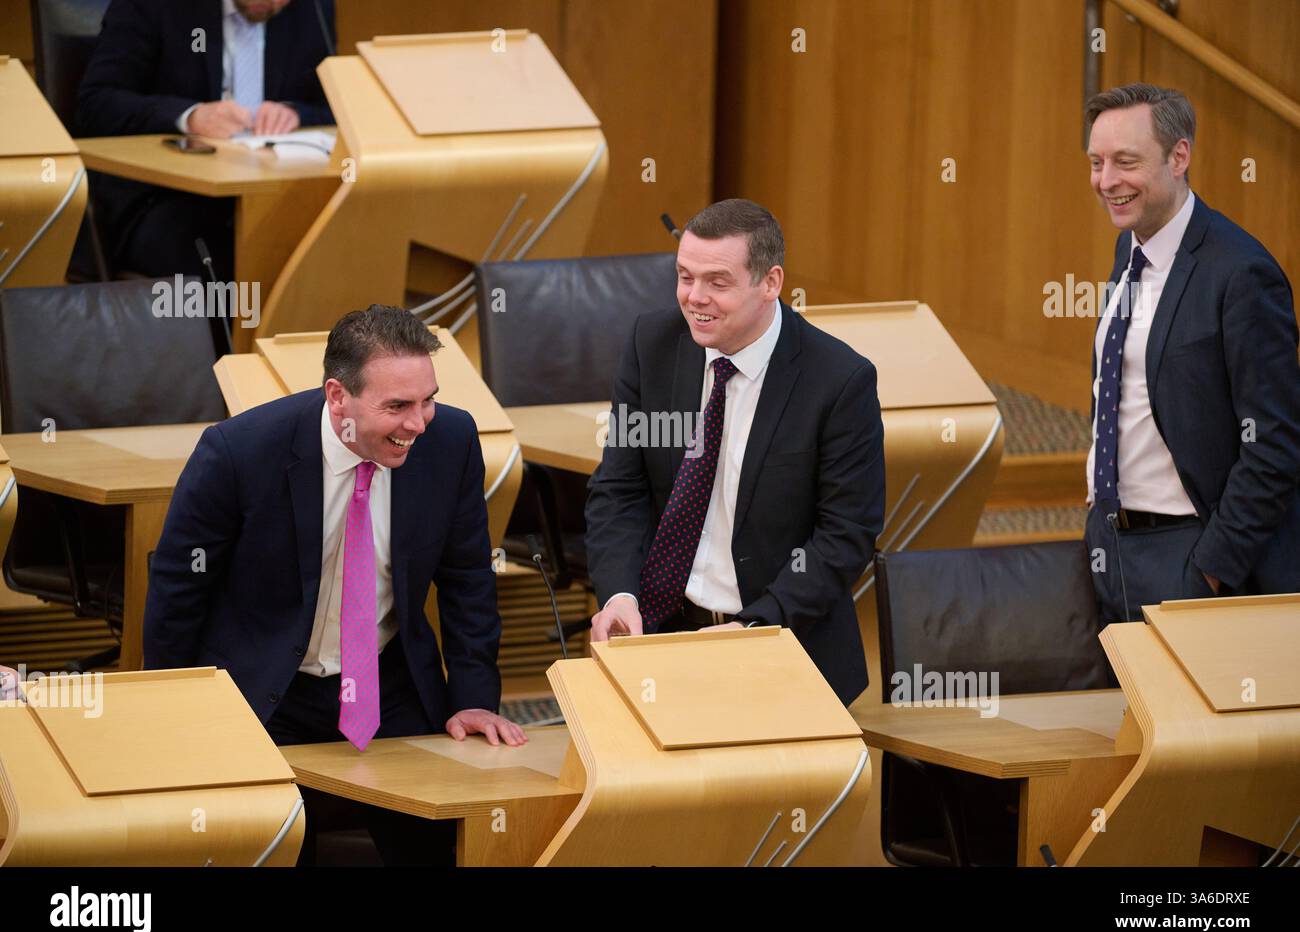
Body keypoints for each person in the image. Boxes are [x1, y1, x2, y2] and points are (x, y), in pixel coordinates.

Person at [144, 304, 525, 864]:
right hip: (264, 686)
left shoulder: (451, 441)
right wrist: (177, 717)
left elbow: (467, 578)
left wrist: (472, 698)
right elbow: (179, 587)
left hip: (389, 682)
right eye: (397, 406)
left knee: (444, 844)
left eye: (428, 400)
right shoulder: (240, 451)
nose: (418, 423)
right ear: (337, 397)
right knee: (279, 846)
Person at [584, 199, 885, 706]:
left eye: (717, 282)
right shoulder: (652, 345)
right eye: (684, 276)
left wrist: (754, 625)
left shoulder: (838, 381)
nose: (694, 298)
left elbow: (845, 535)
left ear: (770, 283)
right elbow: (619, 488)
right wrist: (619, 594)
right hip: (663, 639)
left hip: (783, 646)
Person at [1082, 83, 1300, 627]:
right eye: (1096, 162)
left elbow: (1274, 445)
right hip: (1111, 545)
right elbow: (1126, 385)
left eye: (1125, 162)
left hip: (1188, 557)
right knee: (1117, 712)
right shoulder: (1130, 246)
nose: (1106, 181)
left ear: (1179, 156)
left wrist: (1209, 569)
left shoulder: (1242, 274)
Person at [75, 0, 335, 280]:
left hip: (276, 195)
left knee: (328, 248)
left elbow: (341, 103)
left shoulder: (313, 7)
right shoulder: (154, 6)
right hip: (168, 198)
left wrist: (296, 113)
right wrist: (189, 117)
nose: (269, 3)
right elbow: (95, 103)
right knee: (225, 260)